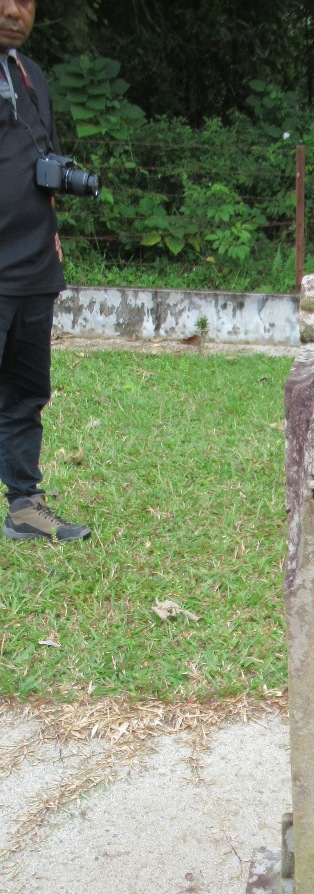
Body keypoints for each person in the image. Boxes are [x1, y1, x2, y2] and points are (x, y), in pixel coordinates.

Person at [0, 0, 90, 541]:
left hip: (34, 265)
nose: (15, 12)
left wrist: (51, 229)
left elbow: (43, 161)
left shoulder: (32, 75)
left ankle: (25, 506)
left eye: (27, 2)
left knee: (26, 393)